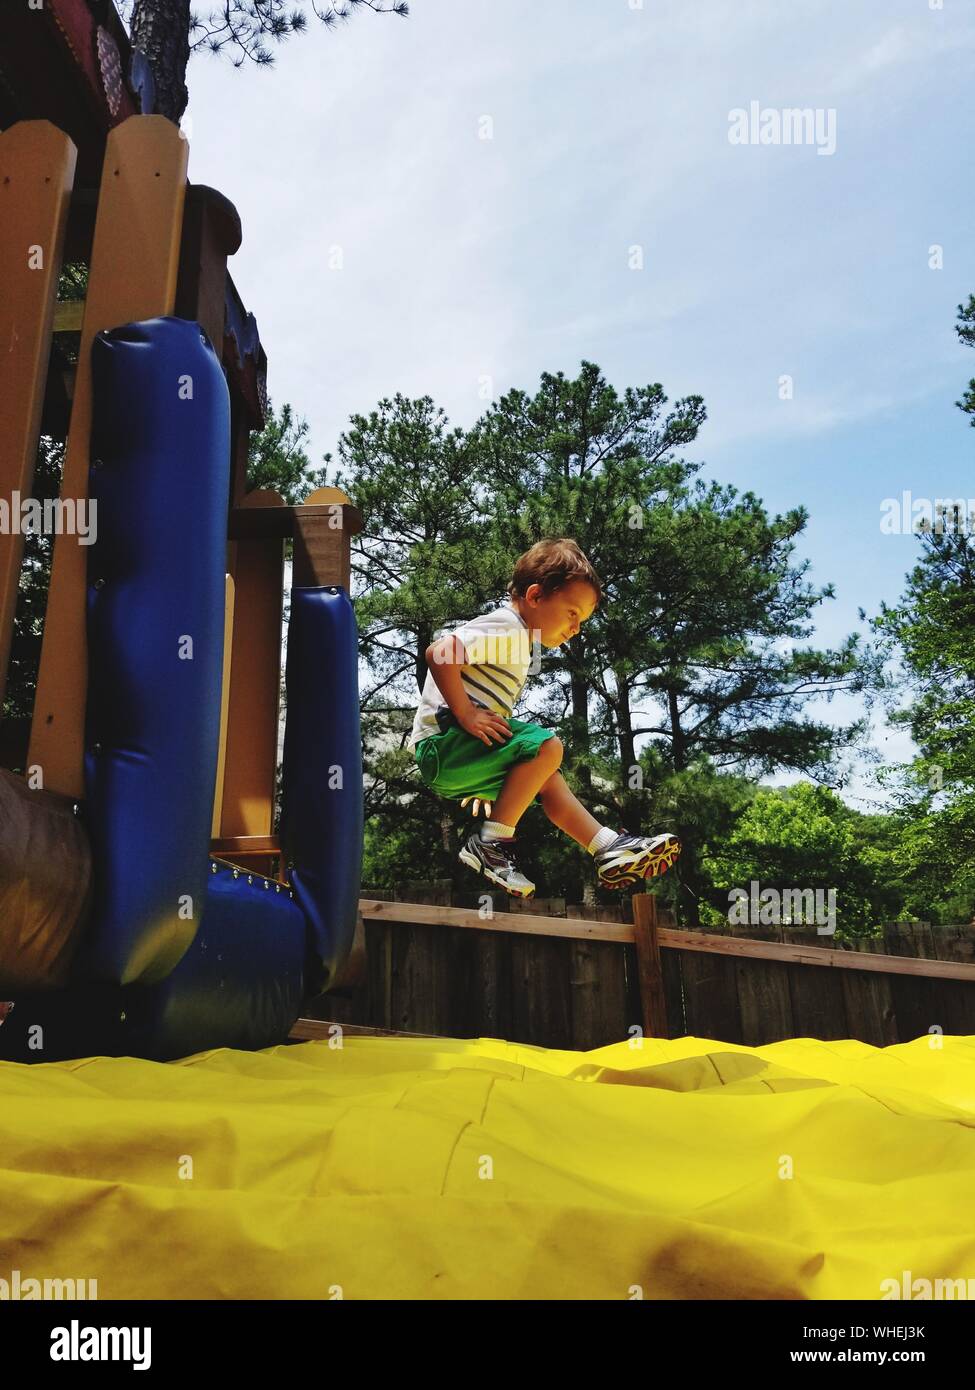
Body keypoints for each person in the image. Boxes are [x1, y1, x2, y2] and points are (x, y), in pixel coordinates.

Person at [408, 537, 681, 898]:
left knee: (546, 779)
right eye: (572, 613)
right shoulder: (507, 626)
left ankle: (606, 846)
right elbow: (440, 654)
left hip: (458, 752)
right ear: (535, 595)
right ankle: (490, 843)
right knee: (548, 748)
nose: (576, 627)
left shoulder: (518, 640)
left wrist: (486, 774)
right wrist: (467, 714)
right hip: (443, 743)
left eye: (582, 620)